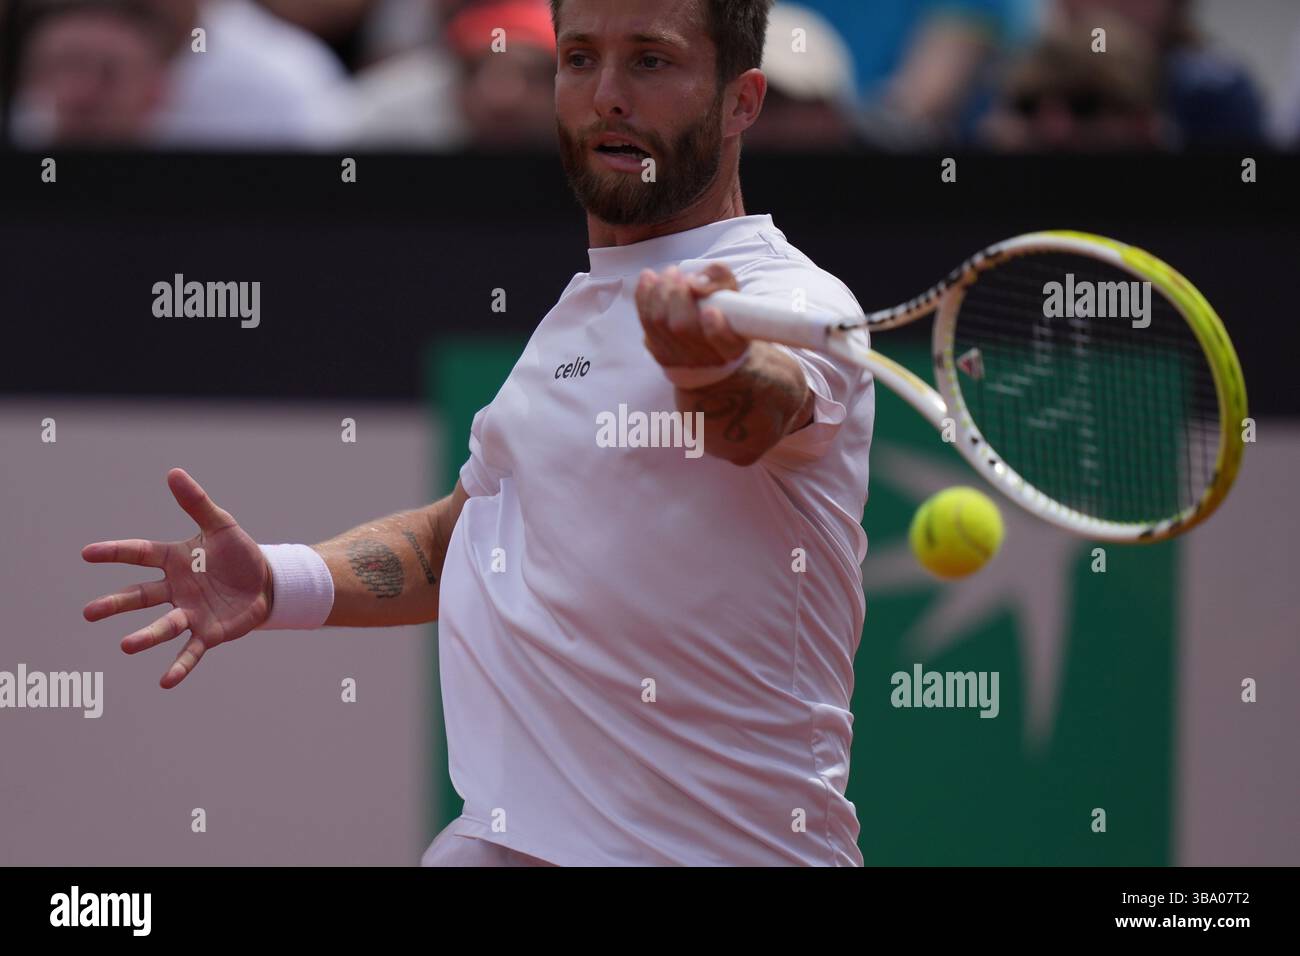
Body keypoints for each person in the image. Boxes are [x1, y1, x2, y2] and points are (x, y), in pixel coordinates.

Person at [82, 0, 873, 867]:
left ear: (741, 100)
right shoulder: (575, 318)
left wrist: (705, 366)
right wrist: (280, 577)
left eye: (651, 61)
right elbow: (463, 534)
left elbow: (755, 416)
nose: (608, 94)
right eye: (579, 59)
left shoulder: (797, 305)